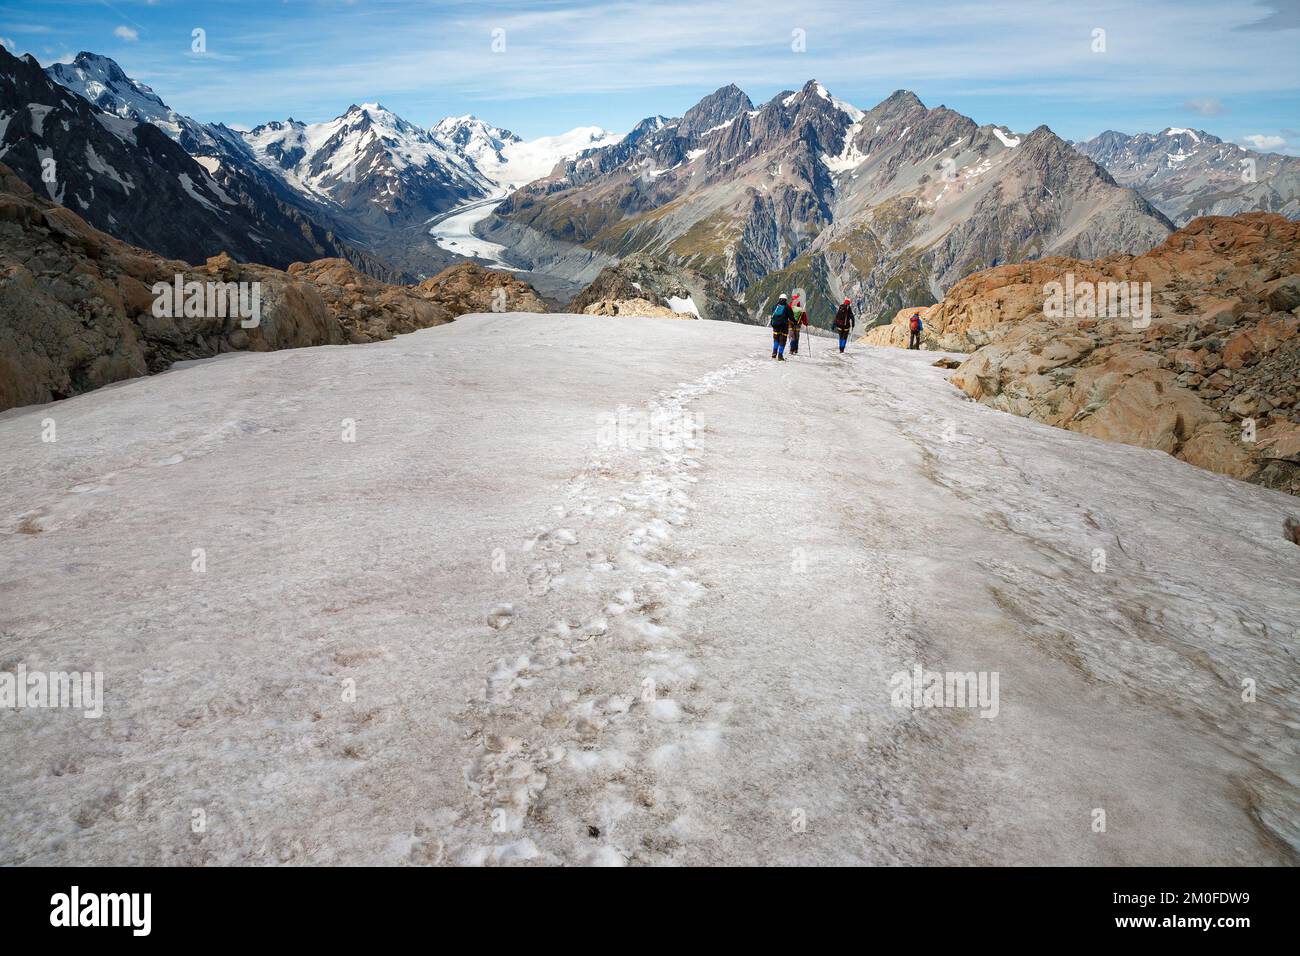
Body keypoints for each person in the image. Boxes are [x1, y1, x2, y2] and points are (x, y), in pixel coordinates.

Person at [770, 294, 793, 360]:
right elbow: (791, 317)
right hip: (784, 327)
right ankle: (780, 356)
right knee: (782, 341)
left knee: (776, 339)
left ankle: (774, 353)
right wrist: (794, 322)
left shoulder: (775, 306)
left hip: (775, 326)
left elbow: (772, 314)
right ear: (786, 299)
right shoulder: (787, 307)